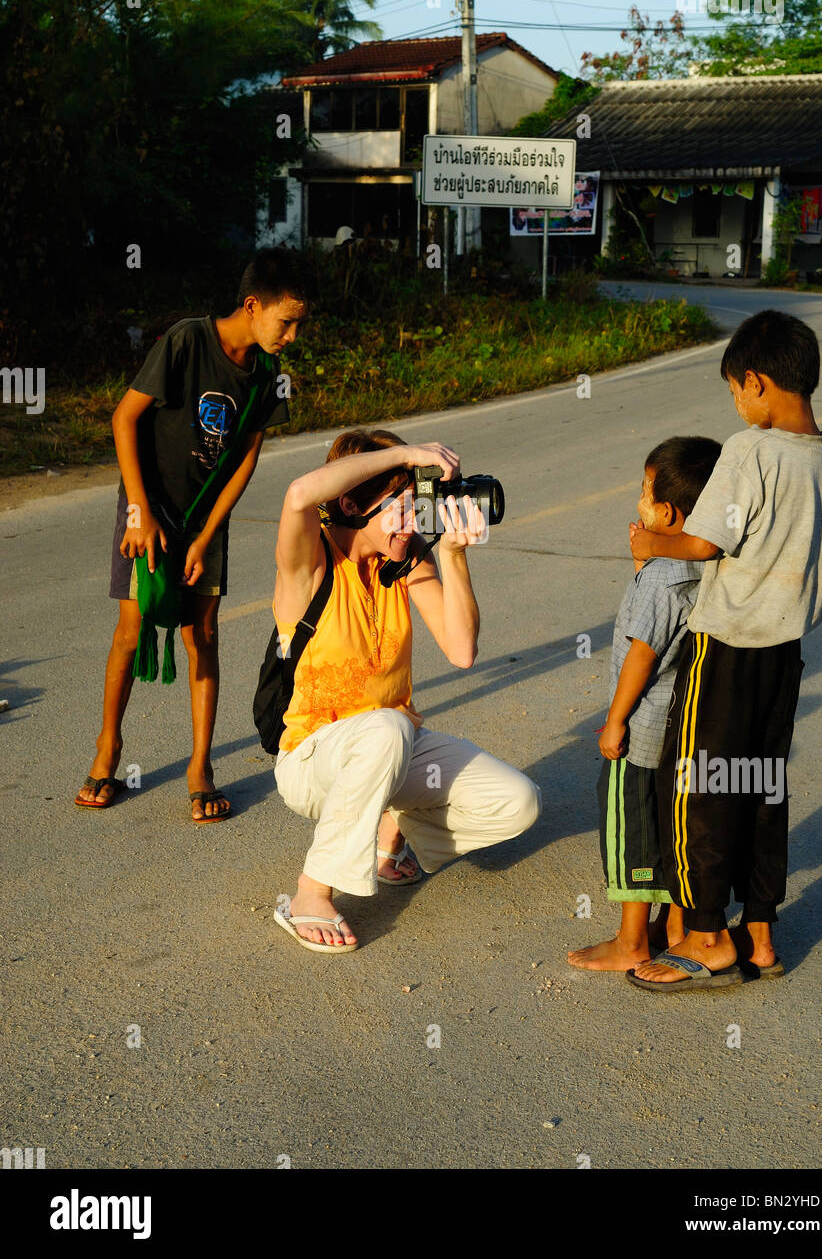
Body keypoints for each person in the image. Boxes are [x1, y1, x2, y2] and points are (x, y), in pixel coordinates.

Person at [627, 311, 822, 990]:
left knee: (698, 793)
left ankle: (705, 938)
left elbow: (702, 543)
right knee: (760, 789)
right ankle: (760, 931)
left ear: (756, 381)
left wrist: (648, 543)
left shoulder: (750, 451)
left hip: (725, 650)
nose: (736, 406)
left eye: (734, 392)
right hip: (784, 655)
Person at [270, 429, 541, 953]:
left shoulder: (406, 559)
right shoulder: (311, 561)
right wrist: (405, 455)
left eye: (420, 507)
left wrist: (456, 555)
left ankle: (391, 841)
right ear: (351, 503)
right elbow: (299, 494)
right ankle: (310, 893)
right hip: (312, 761)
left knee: (517, 802)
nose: (415, 522)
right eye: (402, 508)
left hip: (389, 747)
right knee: (389, 728)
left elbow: (461, 650)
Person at [75, 248, 308, 822]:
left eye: (301, 323)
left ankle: (200, 766)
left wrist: (207, 535)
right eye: (287, 321)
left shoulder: (266, 375)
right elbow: (124, 418)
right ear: (253, 305)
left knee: (202, 634)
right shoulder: (186, 341)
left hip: (206, 520)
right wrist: (137, 510)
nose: (294, 335)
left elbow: (247, 455)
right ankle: (109, 749)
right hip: (148, 510)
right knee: (133, 626)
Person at [568, 436, 721, 973]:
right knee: (664, 828)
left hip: (639, 728)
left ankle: (632, 940)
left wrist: (613, 721)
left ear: (667, 512)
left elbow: (642, 653)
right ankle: (673, 925)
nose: (638, 500)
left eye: (644, 490)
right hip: (677, 727)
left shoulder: (662, 576)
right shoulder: (705, 564)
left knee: (628, 828)